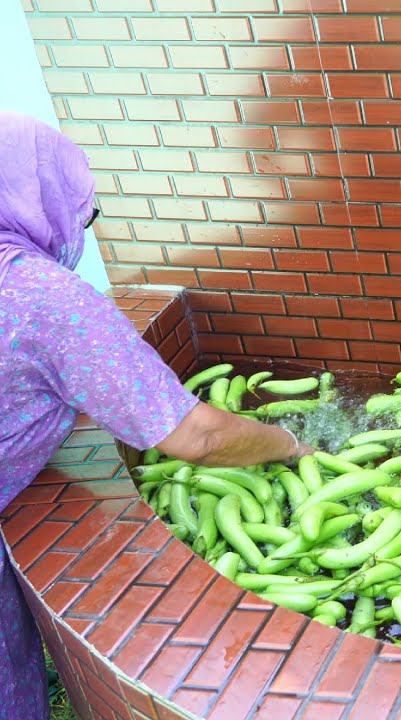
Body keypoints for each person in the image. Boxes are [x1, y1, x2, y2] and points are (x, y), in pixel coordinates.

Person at [0, 111, 313, 719]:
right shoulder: (40, 298)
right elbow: (196, 435)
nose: (82, 224)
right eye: (82, 208)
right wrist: (290, 445)